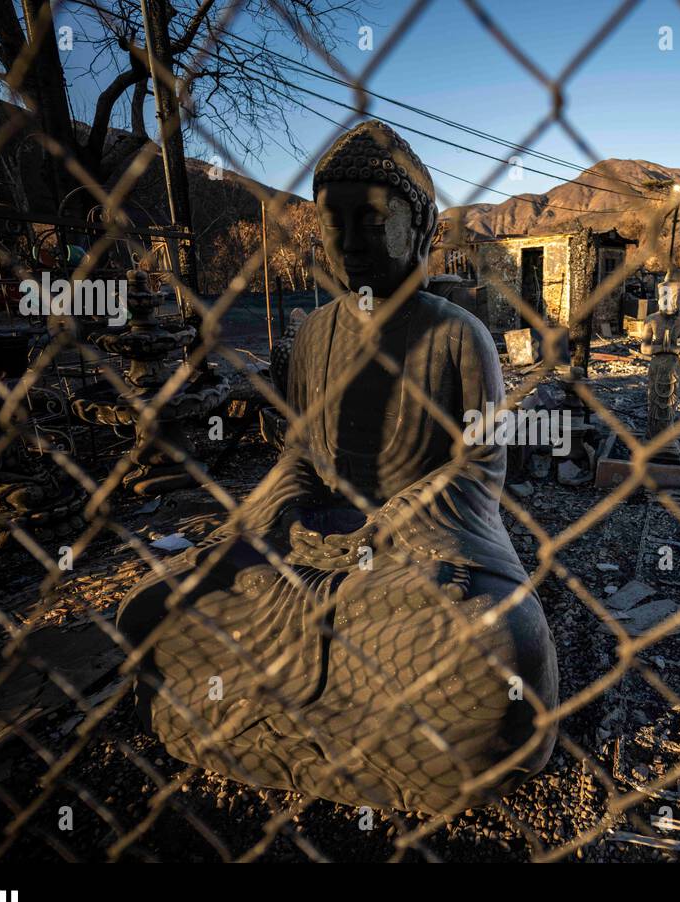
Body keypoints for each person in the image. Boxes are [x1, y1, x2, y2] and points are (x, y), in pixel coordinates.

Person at [117, 121, 558, 813]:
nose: (350, 240)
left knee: (504, 647)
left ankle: (268, 726)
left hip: (410, 560)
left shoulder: (457, 333)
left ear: (421, 228)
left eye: (372, 219)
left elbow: (479, 469)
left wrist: (389, 527)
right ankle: (376, 745)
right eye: (333, 221)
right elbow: (299, 453)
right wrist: (271, 519)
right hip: (309, 549)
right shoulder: (314, 331)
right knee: (152, 611)